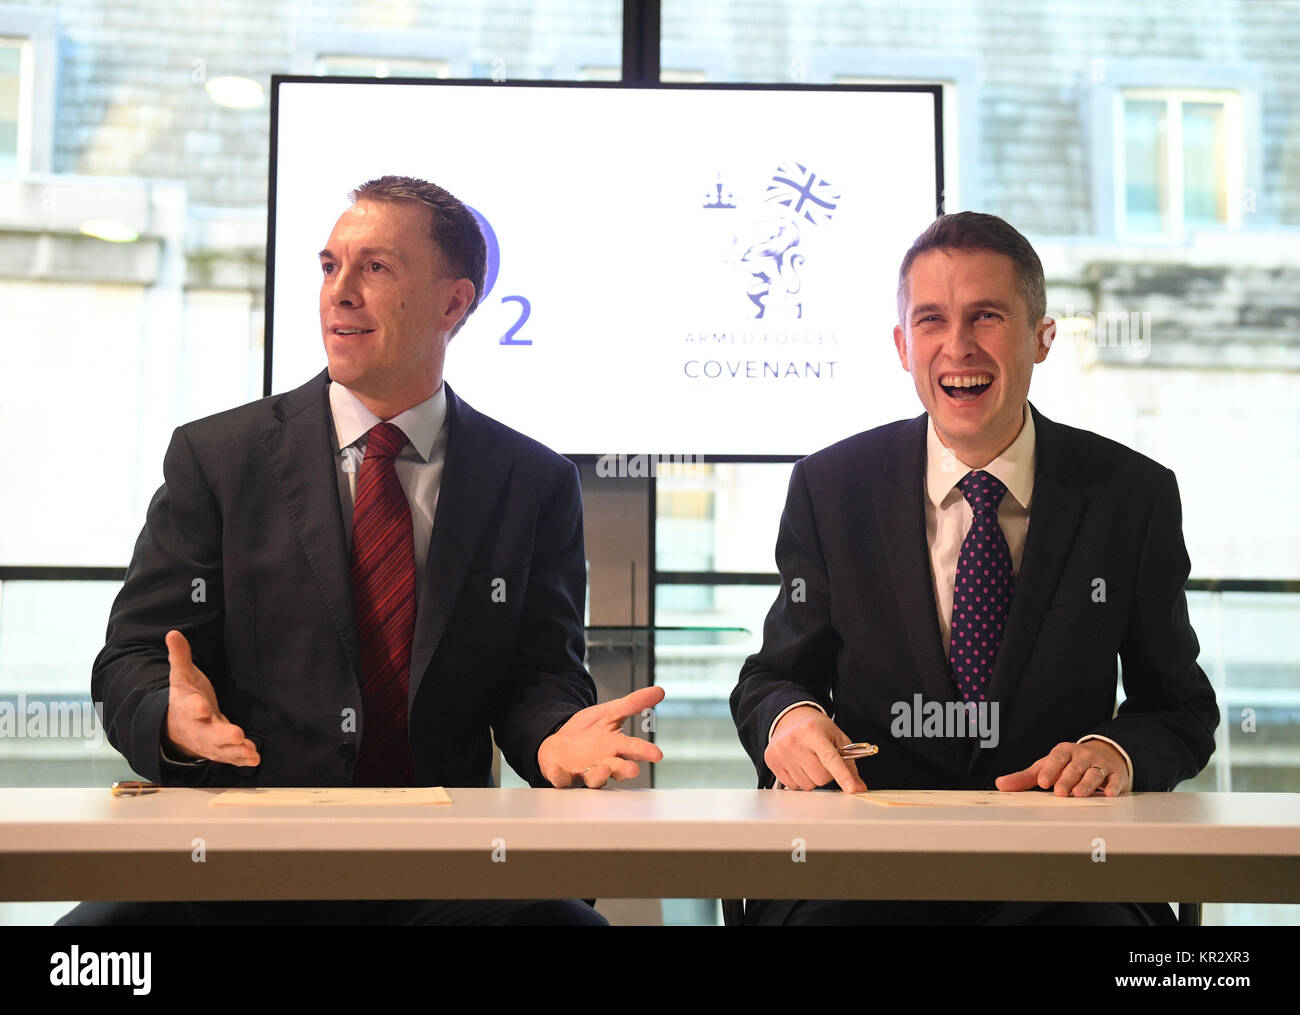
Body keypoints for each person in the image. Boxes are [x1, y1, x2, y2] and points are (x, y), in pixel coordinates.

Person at [60, 175, 662, 926]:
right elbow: (135, 658)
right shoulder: (218, 459)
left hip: (447, 862)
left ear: (454, 302)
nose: (339, 292)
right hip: (239, 856)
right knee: (88, 951)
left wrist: (550, 742)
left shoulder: (531, 480)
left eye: (375, 267)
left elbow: (538, 677)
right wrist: (169, 715)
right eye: (329, 265)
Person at [731, 211, 1218, 926]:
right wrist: (792, 719)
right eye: (931, 319)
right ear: (903, 345)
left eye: (986, 316)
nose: (957, 345)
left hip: (1066, 869)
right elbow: (771, 679)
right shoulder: (831, 486)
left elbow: (1180, 705)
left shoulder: (1130, 494)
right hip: (862, 869)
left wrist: (1116, 749)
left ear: (1042, 338)